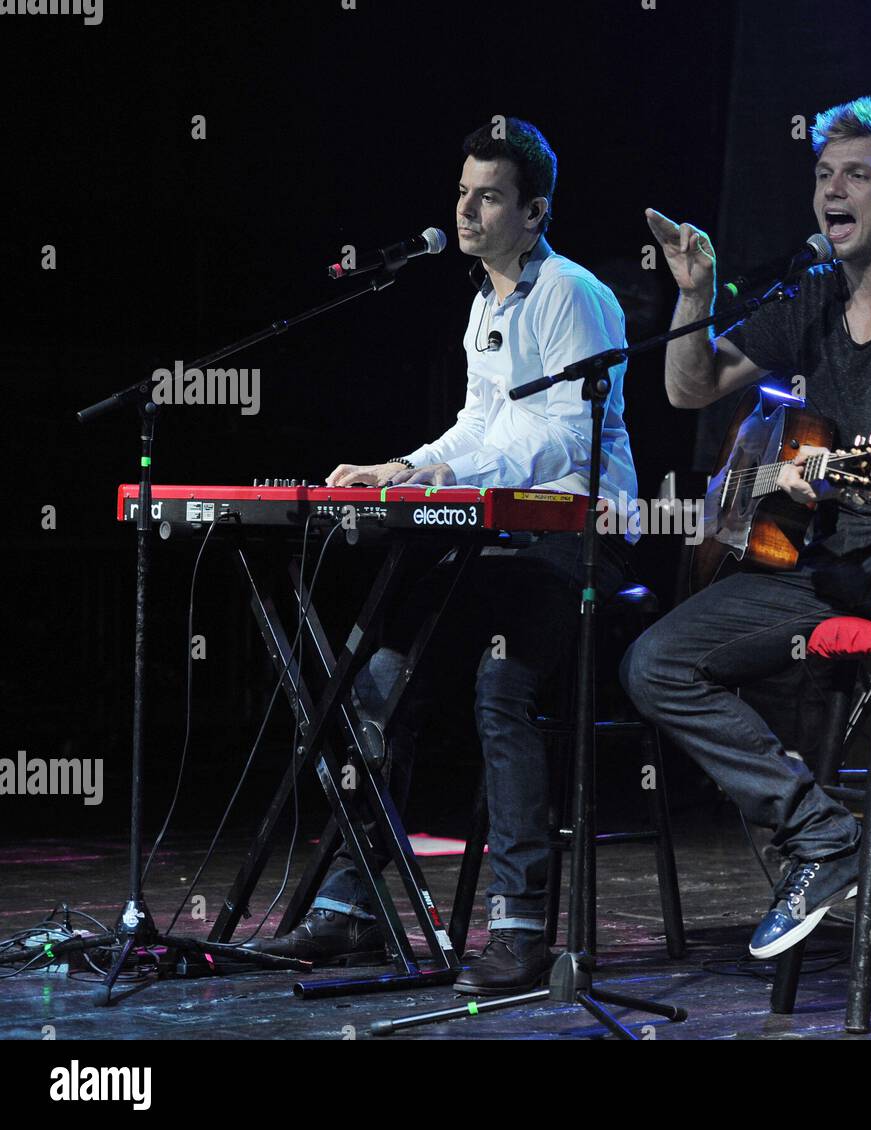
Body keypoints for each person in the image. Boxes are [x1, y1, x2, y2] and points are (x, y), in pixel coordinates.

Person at [245, 118, 638, 995]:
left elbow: (563, 437)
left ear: (533, 211)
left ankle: (522, 924)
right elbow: (478, 424)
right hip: (507, 540)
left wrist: (436, 475)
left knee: (502, 687)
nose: (465, 208)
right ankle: (350, 909)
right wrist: (408, 467)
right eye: (462, 191)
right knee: (382, 672)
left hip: (582, 540)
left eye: (487, 195)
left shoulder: (570, 294)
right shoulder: (482, 302)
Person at [621, 95, 871, 959]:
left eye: (856, 176)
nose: (831, 191)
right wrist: (693, 297)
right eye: (822, 175)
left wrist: (856, 479)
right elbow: (690, 387)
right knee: (657, 661)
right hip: (838, 558)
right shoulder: (807, 301)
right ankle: (821, 834)